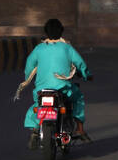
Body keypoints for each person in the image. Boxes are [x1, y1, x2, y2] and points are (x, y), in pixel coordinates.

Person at [22, 17, 90, 148]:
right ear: (61, 32)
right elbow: (80, 64)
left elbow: (29, 66)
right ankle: (80, 129)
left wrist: (27, 78)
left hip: (42, 90)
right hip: (63, 89)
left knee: (37, 104)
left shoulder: (39, 49)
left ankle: (35, 130)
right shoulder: (67, 48)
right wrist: (87, 75)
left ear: (46, 32)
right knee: (78, 98)